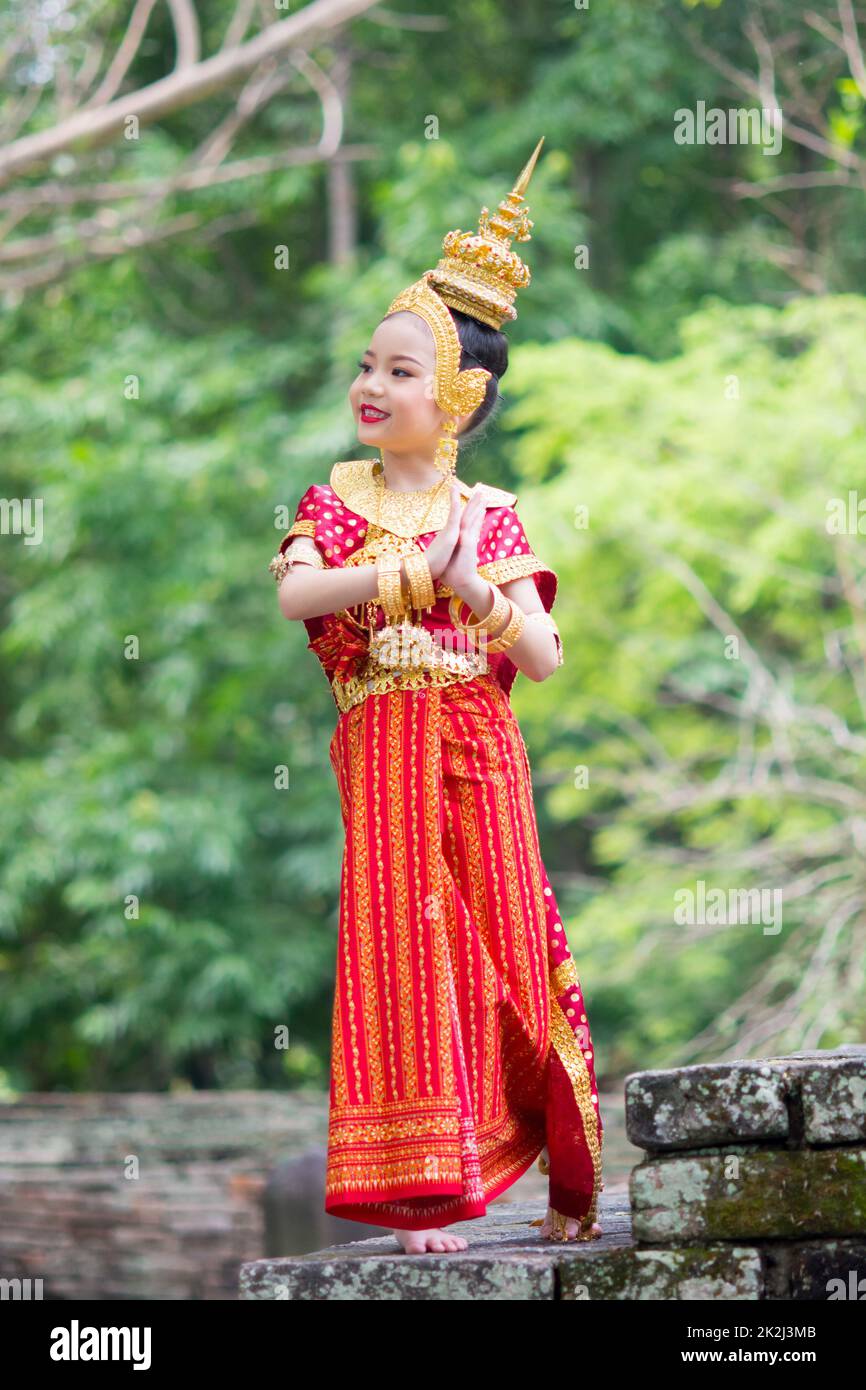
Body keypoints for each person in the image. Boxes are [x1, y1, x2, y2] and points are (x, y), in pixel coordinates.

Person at [269, 139, 604, 1254]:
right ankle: (423, 1197)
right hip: (382, 742)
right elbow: (299, 595)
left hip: (474, 737)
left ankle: (558, 1167)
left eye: (400, 371)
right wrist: (415, 574)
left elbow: (546, 654)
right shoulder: (337, 497)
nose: (370, 385)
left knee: (507, 941)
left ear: (458, 397)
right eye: (368, 363)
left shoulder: (490, 511)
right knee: (408, 951)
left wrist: (473, 588)